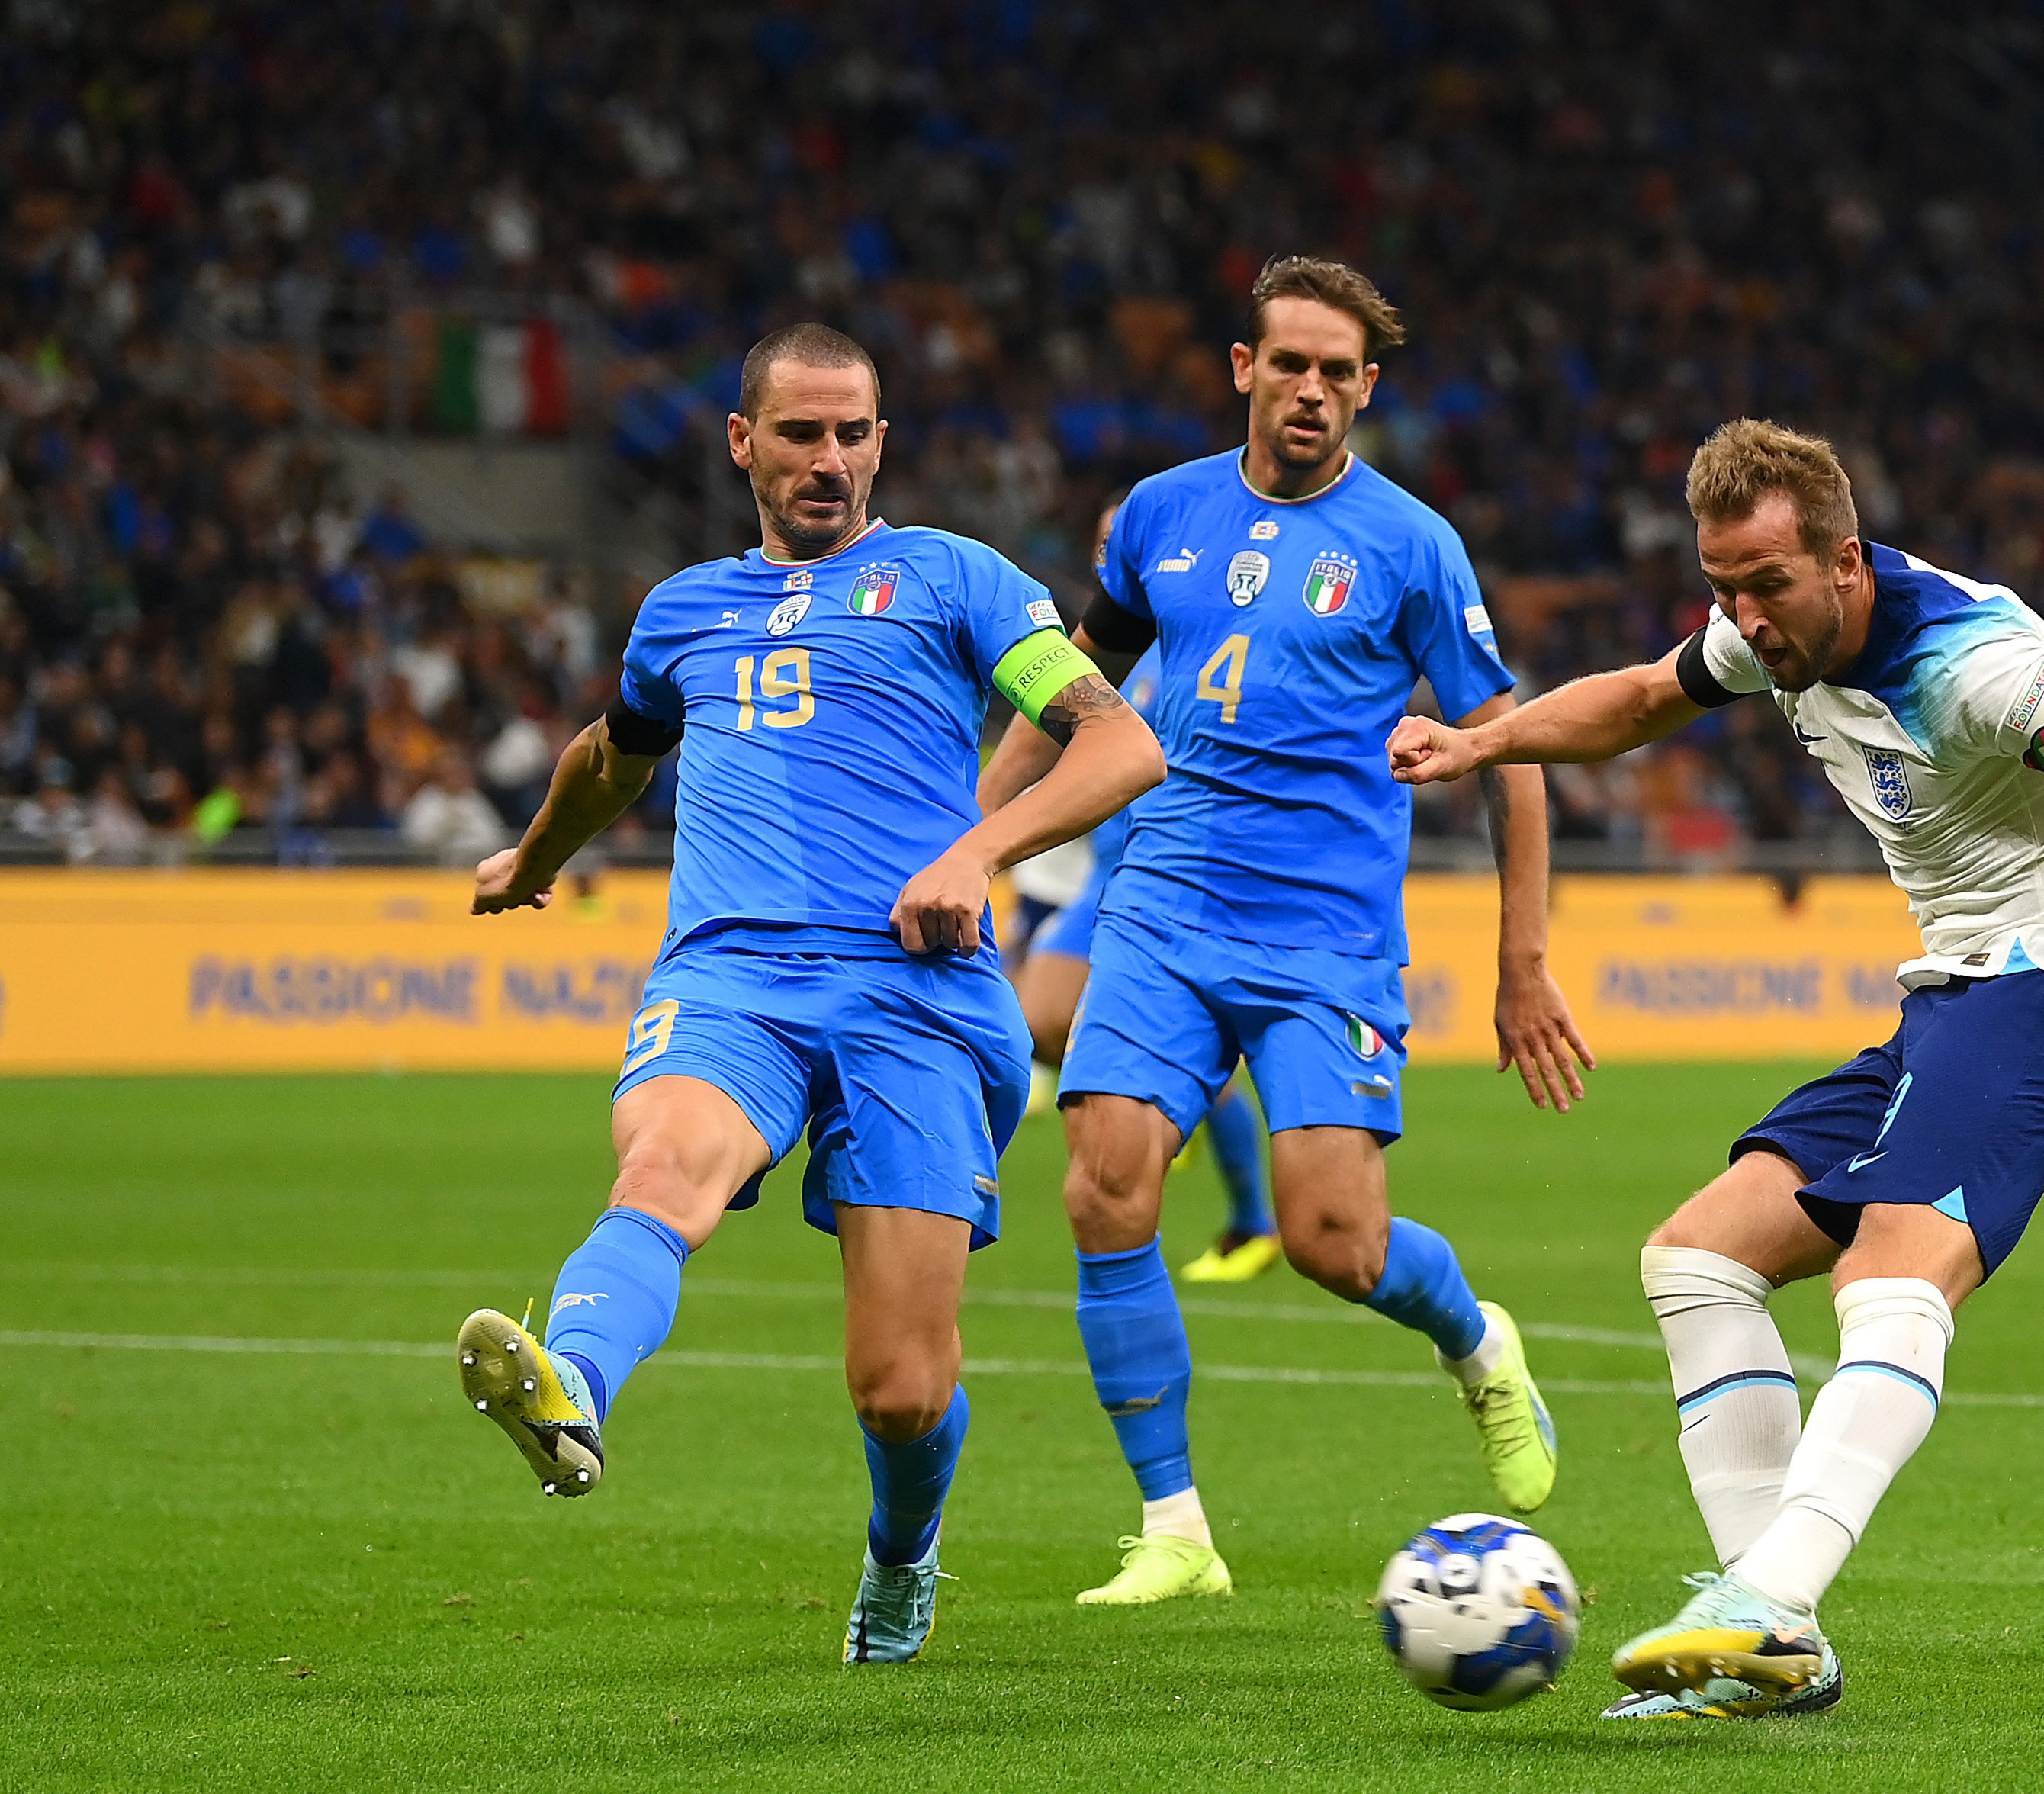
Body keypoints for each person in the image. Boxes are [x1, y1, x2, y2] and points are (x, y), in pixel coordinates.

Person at [1388, 420, 2044, 1721]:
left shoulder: (1978, 664)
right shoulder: (1772, 629)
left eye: (1765, 586)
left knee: (1892, 1256)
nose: (1743, 617)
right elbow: (1641, 697)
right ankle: (1773, 1637)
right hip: (1951, 997)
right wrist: (1484, 744)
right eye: (1721, 586)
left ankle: (1768, 1600)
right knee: (1696, 1257)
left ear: (1842, 561)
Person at [455, 323, 1161, 1667]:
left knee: (900, 1391)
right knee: (662, 1166)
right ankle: (571, 1390)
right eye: (799, 433)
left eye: (852, 434)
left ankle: (902, 1558)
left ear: (881, 444)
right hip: (729, 976)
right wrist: (532, 861)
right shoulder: (680, 613)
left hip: (918, 996)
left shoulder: (952, 581)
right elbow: (617, 758)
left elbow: (1119, 745)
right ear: (743, 443)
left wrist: (972, 850)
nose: (828, 459)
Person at [983, 256, 1595, 1606]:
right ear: (1241, 367)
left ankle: (1476, 1338)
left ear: (1366, 389)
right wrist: (975, 836)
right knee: (1102, 1180)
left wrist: (1522, 963)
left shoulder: (1411, 545)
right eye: (1290, 363)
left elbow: (1514, 750)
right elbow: (1068, 685)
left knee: (1334, 1241)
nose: (1311, 389)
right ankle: (1174, 1527)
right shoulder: (1157, 516)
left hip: (1324, 937)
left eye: (1339, 372)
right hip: (1162, 906)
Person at [1014, 493, 1278, 1283]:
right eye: (1101, 548)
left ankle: (1251, 1224)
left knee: (1146, 1044)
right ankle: (1174, 1109)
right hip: (1106, 878)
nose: (1110, 561)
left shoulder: (1198, 645)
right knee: (1037, 1019)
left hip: (1179, 884)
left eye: (1119, 547)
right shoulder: (1096, 659)